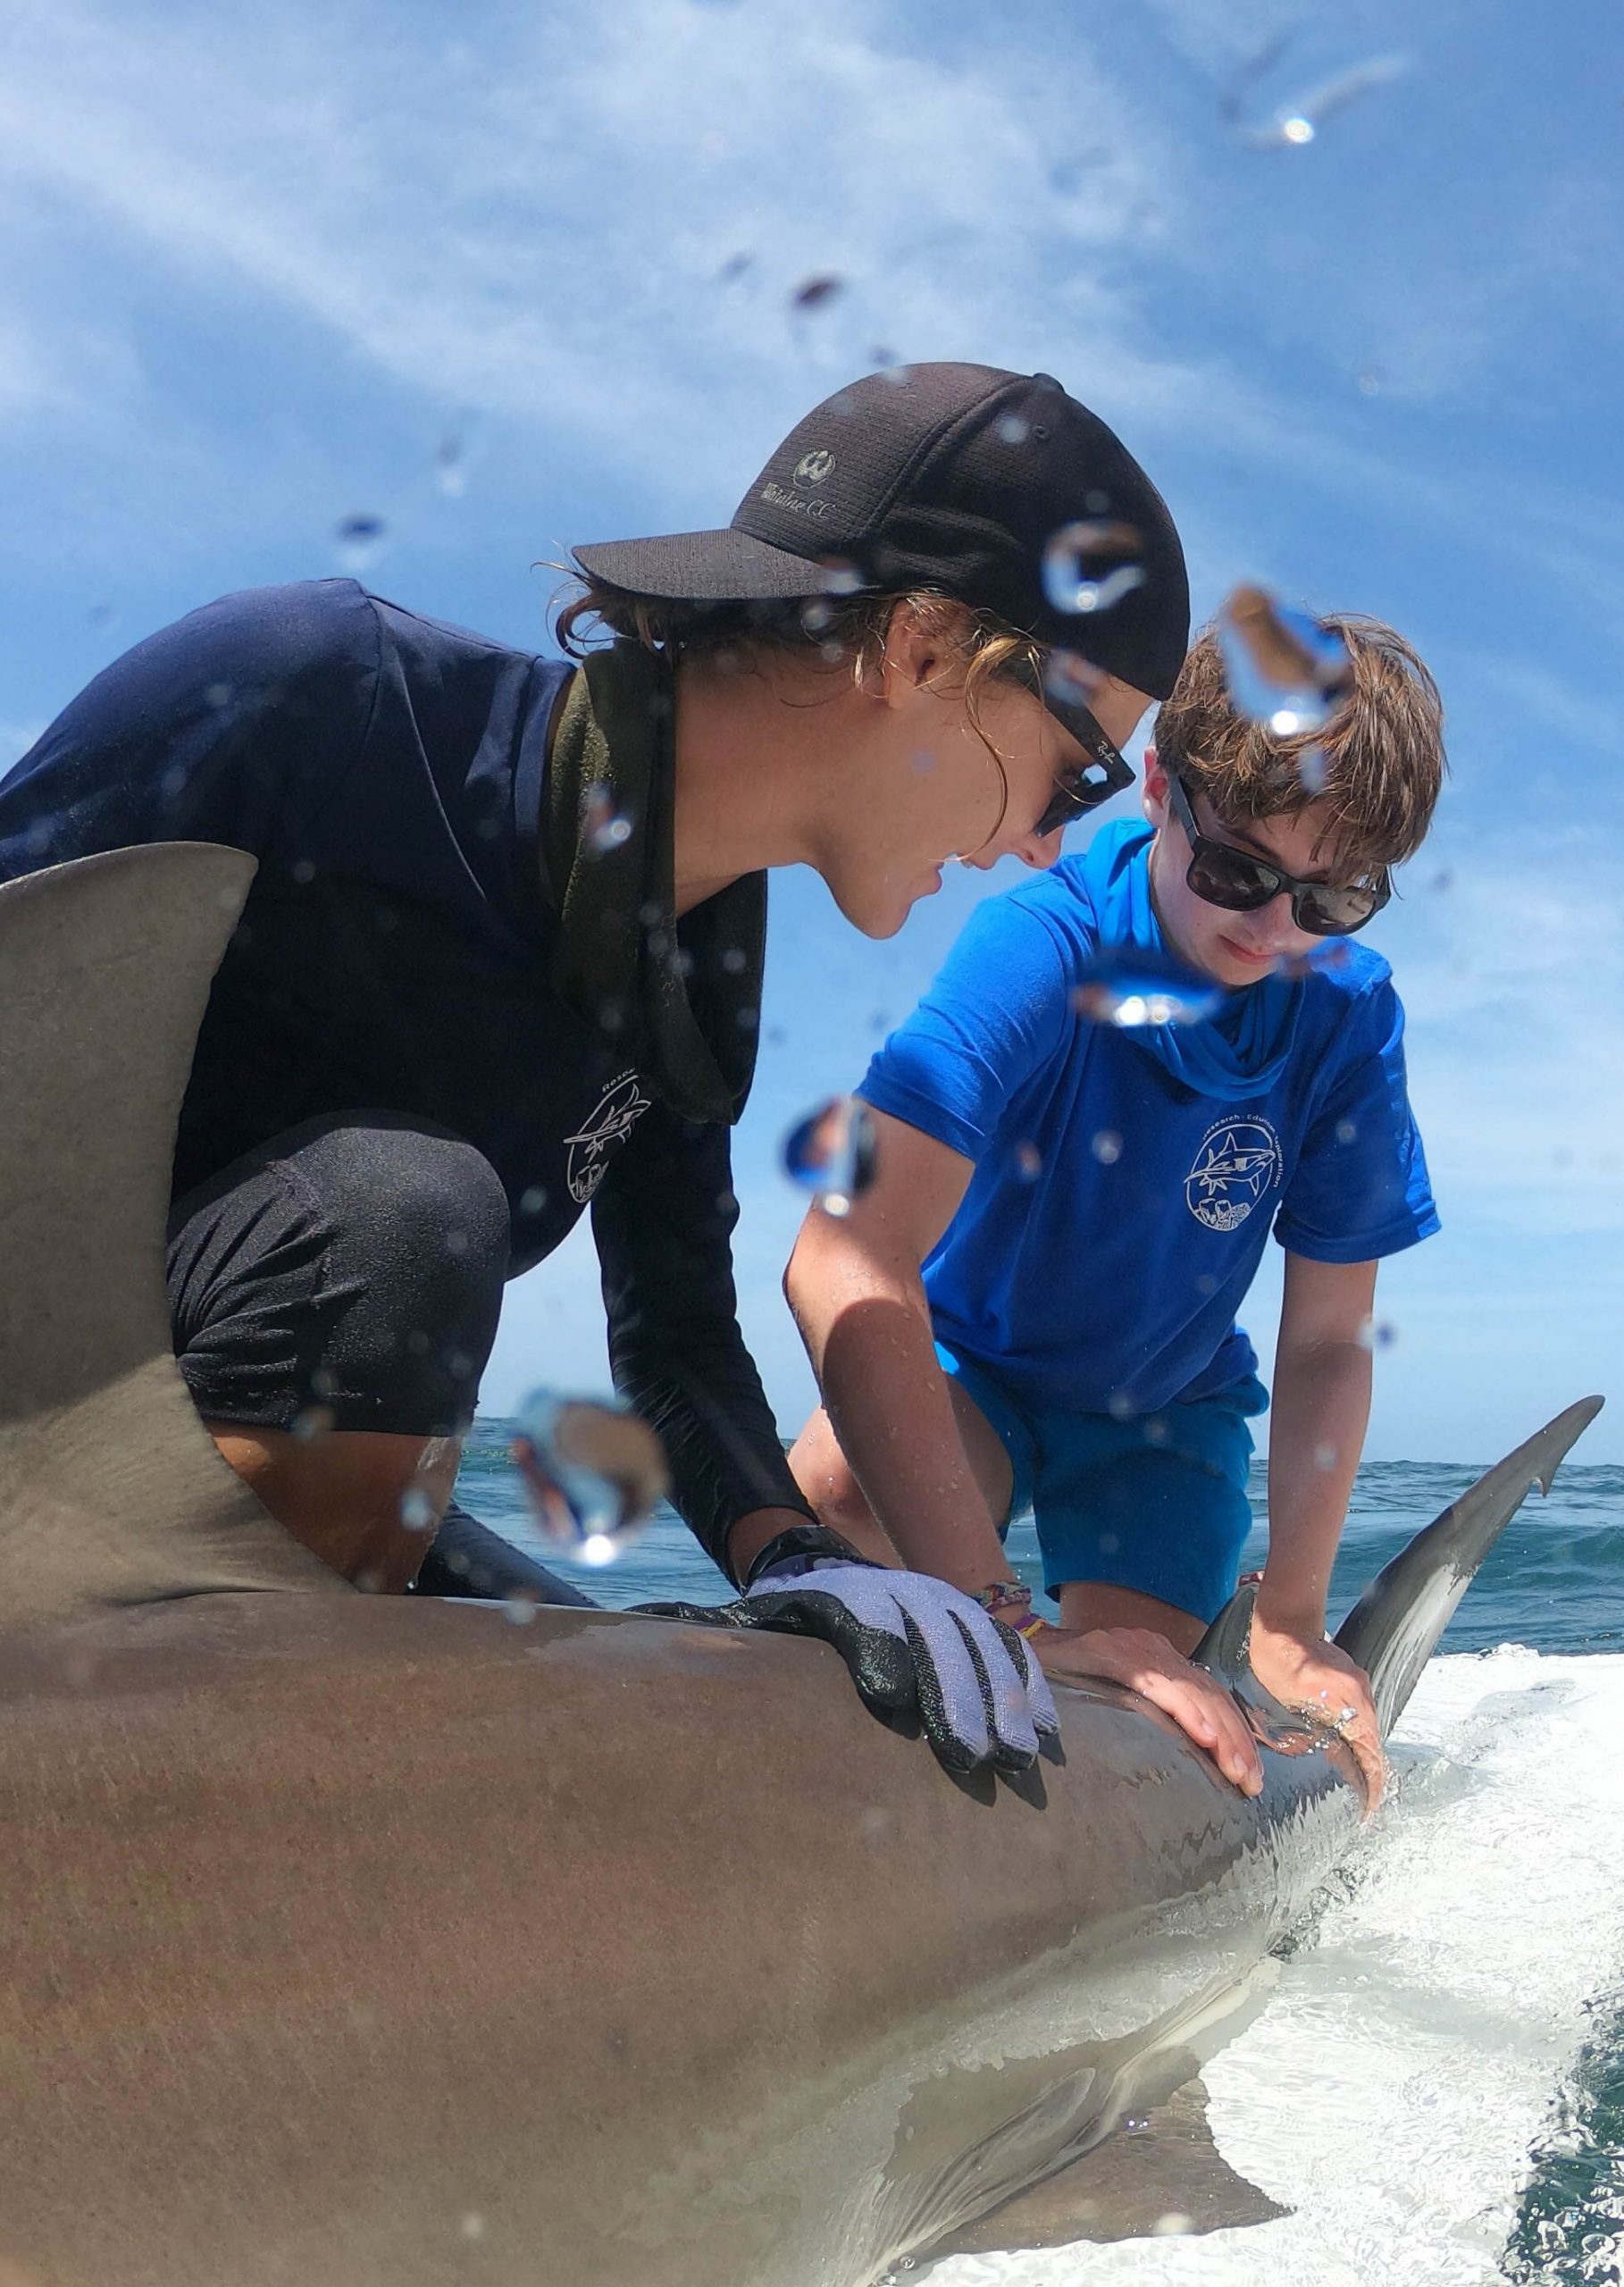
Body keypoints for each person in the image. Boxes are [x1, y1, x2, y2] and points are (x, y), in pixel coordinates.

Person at [0, 361, 1189, 1778]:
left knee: (713, 1756)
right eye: (1082, 769)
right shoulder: (307, 697)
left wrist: (802, 1563)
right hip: (50, 1471)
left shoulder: (697, 962)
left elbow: (677, 1341)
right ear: (927, 648)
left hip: (252, 1528)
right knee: (402, 1216)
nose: (1054, 844)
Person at [784, 612, 1445, 1805]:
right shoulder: (1041, 942)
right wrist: (1005, 1623)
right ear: (1156, 787)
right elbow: (844, 1254)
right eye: (1238, 870)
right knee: (829, 1494)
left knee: (1155, 1746)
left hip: (1163, 1408)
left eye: (1330, 899)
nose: (1272, 928)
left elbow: (1328, 1340)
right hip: (973, 1366)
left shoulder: (1347, 1015)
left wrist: (1290, 1618)